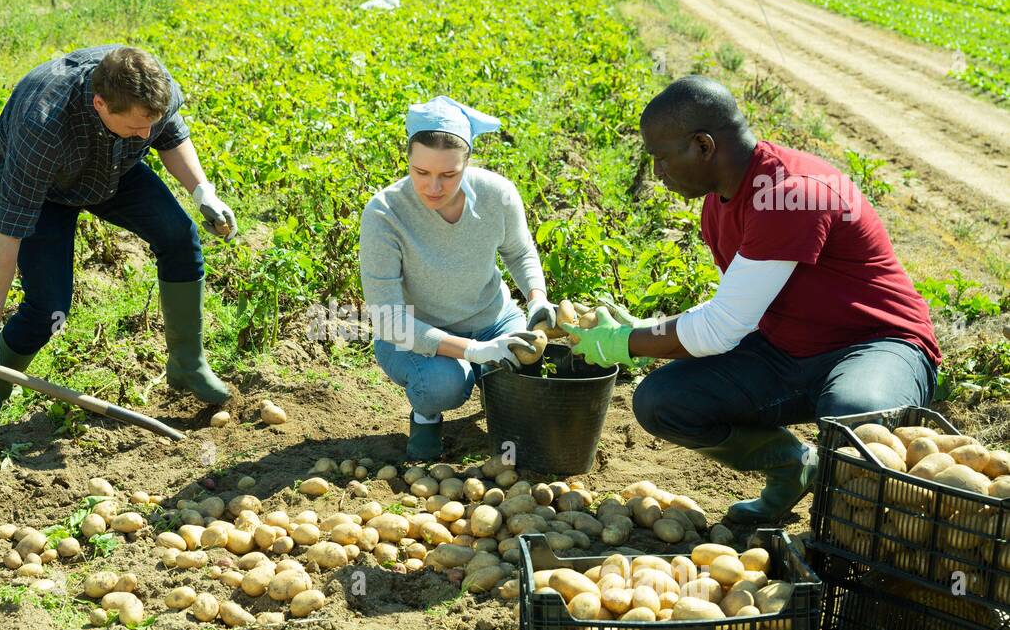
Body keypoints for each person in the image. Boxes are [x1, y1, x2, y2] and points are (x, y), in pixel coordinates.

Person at [563, 76, 940, 524]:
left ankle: (848, 536)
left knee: (854, 420)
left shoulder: (790, 195)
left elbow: (721, 326)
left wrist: (626, 342)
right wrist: (643, 329)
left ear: (703, 146)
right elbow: (737, 310)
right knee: (663, 400)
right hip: (786, 349)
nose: (658, 173)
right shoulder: (720, 199)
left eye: (662, 159)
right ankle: (792, 468)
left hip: (878, 345)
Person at [0, 45, 237, 437]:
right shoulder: (42, 125)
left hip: (113, 169)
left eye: (149, 124)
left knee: (179, 236)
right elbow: (7, 238)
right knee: (48, 310)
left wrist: (202, 190)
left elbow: (170, 136)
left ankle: (188, 364)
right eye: (139, 127)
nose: (146, 135)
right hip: (46, 189)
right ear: (100, 104)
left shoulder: (151, 92)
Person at [360, 96, 553, 461]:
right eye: (421, 173)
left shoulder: (497, 194)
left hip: (491, 319)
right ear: (409, 161)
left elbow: (519, 251)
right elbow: (388, 320)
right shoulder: (385, 213)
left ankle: (501, 409)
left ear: (467, 163)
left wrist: (537, 297)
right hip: (412, 335)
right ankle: (426, 416)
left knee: (527, 361)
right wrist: (474, 352)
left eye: (449, 175)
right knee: (444, 384)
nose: (434, 186)